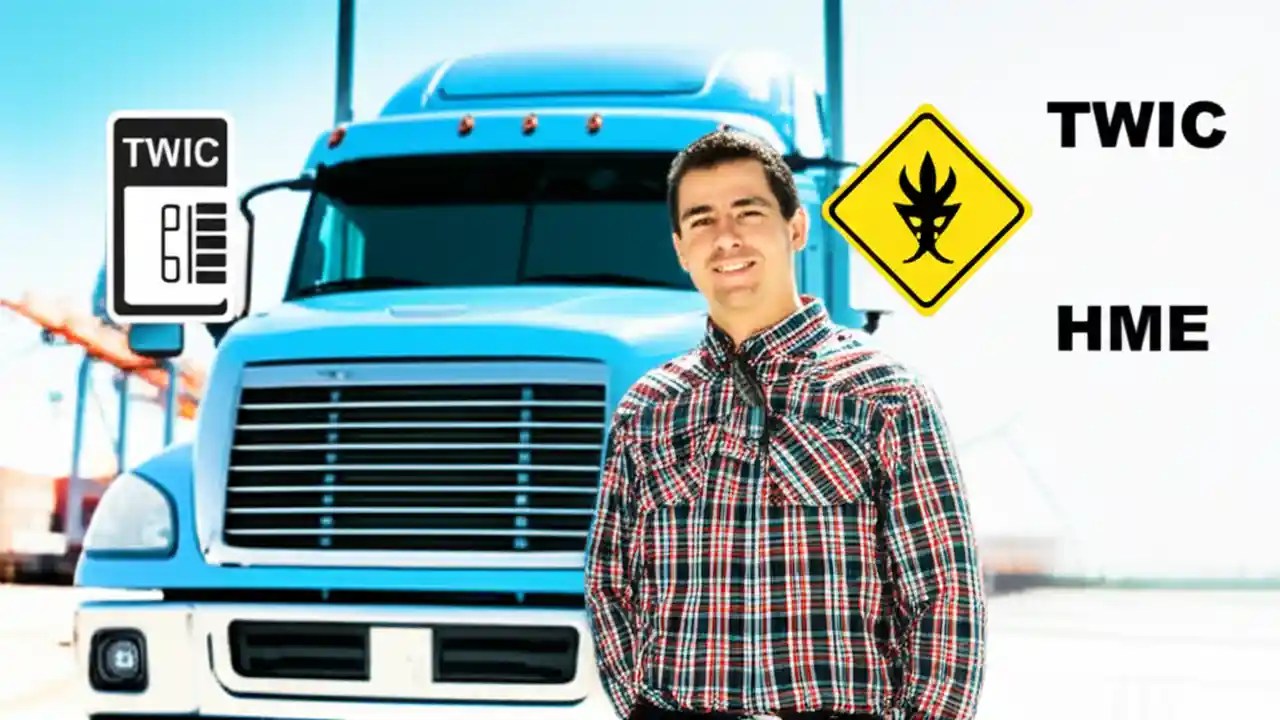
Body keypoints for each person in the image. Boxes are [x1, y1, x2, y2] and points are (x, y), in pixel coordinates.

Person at [583, 128, 987, 720]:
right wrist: (643, 709)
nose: (726, 238)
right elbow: (610, 584)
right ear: (680, 248)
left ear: (795, 228)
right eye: (701, 220)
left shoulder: (886, 395)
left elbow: (943, 595)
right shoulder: (647, 408)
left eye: (748, 213)